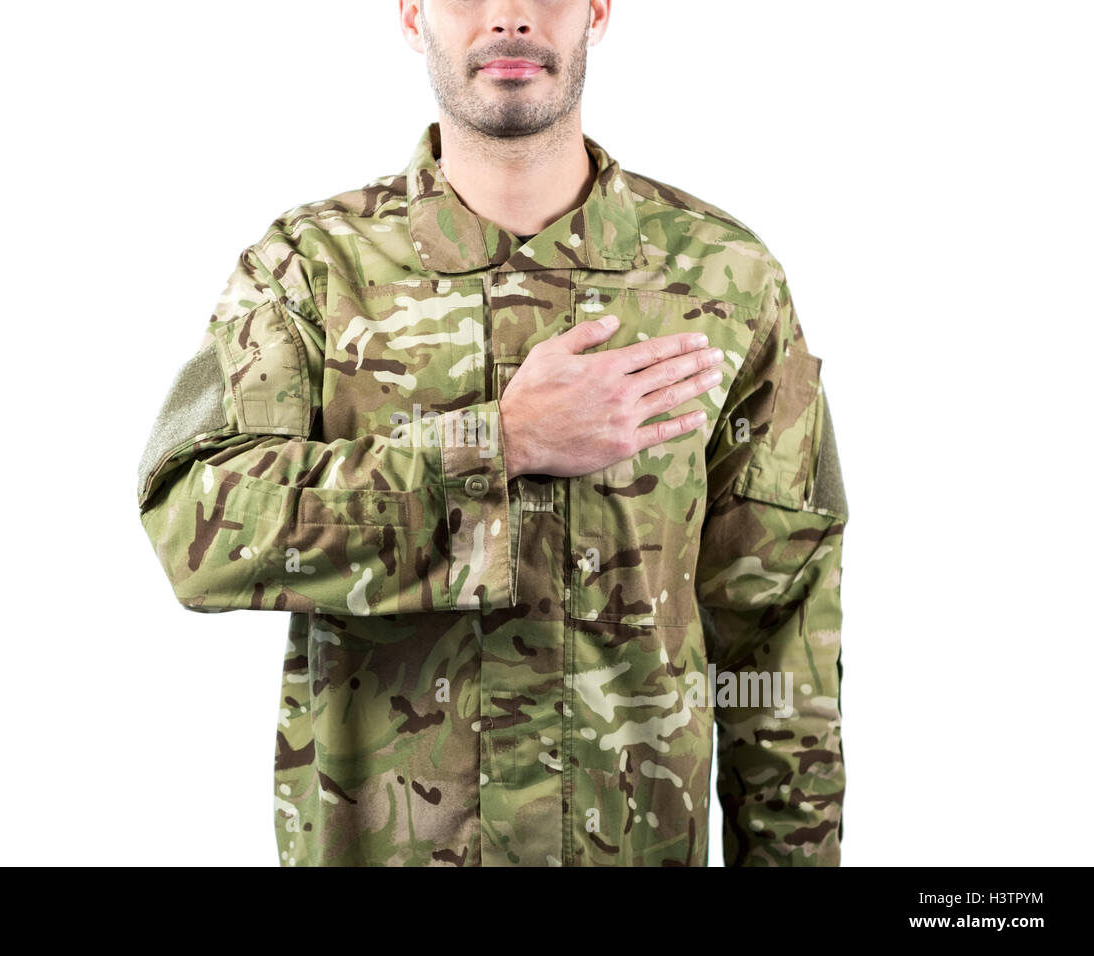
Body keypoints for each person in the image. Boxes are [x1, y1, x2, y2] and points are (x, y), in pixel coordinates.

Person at [135, 0, 848, 866]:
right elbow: (191, 527)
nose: (509, 16)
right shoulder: (309, 271)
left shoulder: (727, 280)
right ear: (411, 14)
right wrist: (497, 445)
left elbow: (774, 634)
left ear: (596, 10)